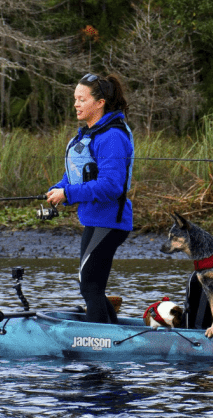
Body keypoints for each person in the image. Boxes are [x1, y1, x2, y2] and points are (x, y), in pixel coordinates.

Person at [45, 73, 134, 324]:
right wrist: (59, 189)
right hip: (95, 220)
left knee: (89, 286)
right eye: (75, 99)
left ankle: (100, 343)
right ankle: (112, 332)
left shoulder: (112, 136)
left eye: (82, 99)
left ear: (100, 103)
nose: (76, 104)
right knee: (90, 284)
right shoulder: (90, 134)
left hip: (110, 222)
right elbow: (75, 175)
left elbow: (111, 186)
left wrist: (69, 194)